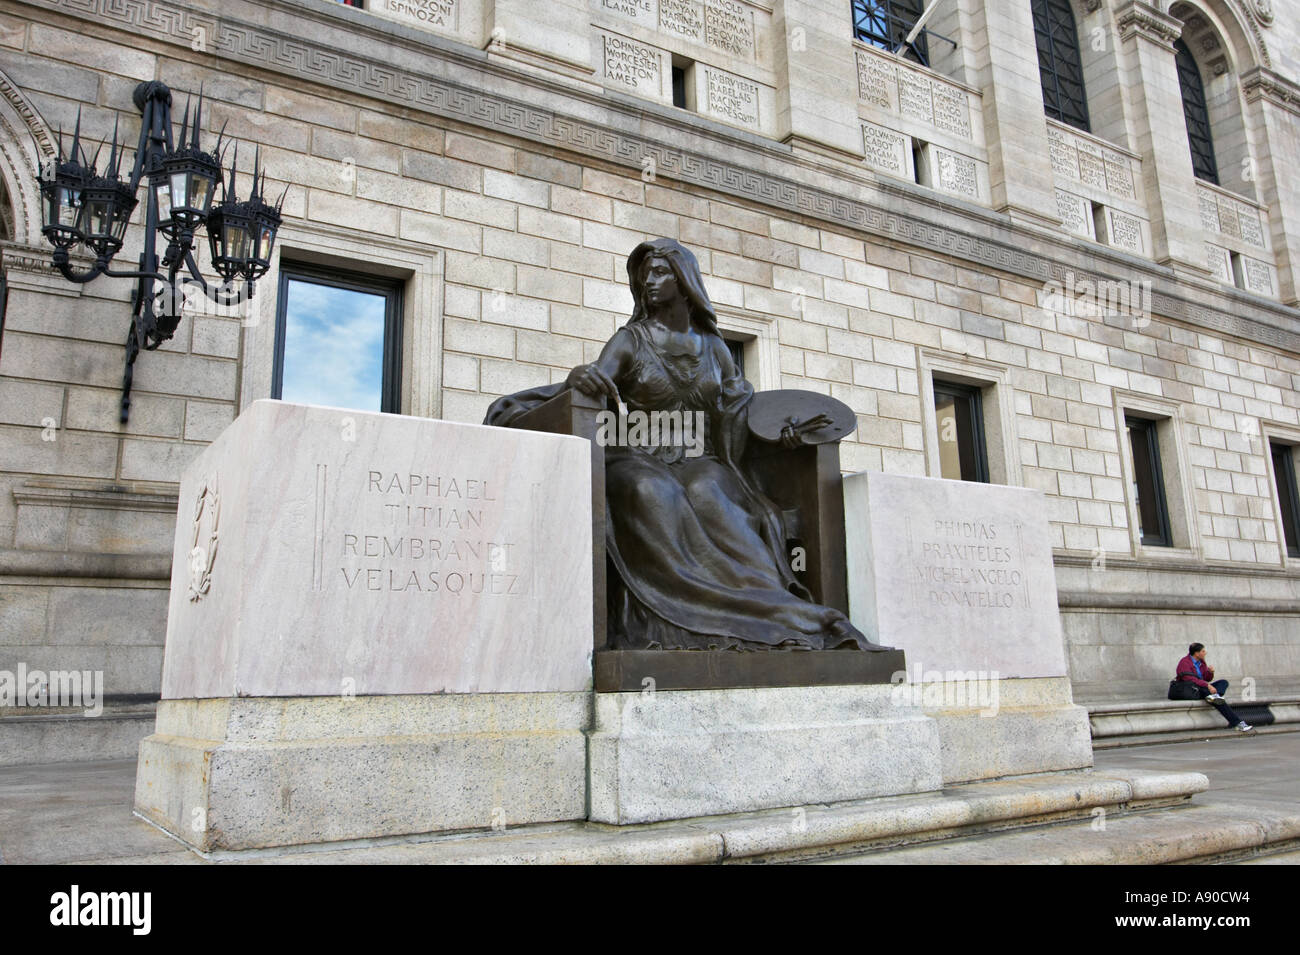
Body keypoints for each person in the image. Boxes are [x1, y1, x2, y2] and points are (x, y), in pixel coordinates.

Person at [485, 238, 886, 651]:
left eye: (660, 273)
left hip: (700, 457)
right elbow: (595, 382)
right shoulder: (630, 340)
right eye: (645, 276)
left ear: (684, 280)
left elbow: (738, 411)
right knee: (653, 492)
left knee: (711, 494)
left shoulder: (714, 348)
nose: (649, 283)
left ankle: (780, 613)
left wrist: (784, 436)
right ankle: (683, 615)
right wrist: (578, 376)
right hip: (638, 452)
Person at [1174, 643, 1252, 732]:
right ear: (1196, 653)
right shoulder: (1184, 663)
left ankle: (1213, 697)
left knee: (1223, 682)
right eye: (1203, 651)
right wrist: (1207, 685)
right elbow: (1190, 680)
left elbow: (1207, 678)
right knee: (1216, 698)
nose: (1205, 653)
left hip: (1203, 688)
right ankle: (1238, 723)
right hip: (1191, 690)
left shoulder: (1201, 662)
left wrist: (1210, 672)